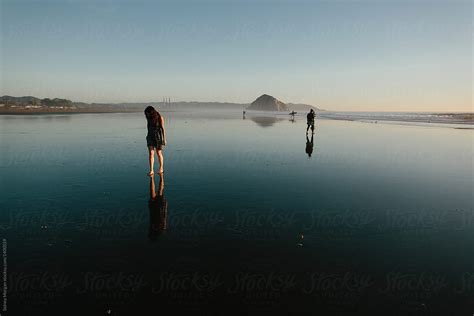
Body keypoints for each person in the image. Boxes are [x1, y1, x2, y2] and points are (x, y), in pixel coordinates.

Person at [144, 106, 166, 176]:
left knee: (159, 153)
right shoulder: (148, 118)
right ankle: (151, 170)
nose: (146, 115)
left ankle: (161, 168)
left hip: (158, 137)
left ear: (151, 112)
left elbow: (163, 129)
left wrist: (164, 139)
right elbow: (148, 127)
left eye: (147, 113)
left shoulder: (160, 118)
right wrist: (147, 136)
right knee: (151, 153)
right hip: (150, 137)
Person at [148, 173, 168, 241]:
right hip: (157, 208)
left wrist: (165, 206)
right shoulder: (160, 227)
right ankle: (160, 178)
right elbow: (164, 216)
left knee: (157, 192)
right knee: (159, 191)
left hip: (156, 208)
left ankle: (158, 178)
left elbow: (152, 215)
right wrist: (165, 206)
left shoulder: (155, 226)